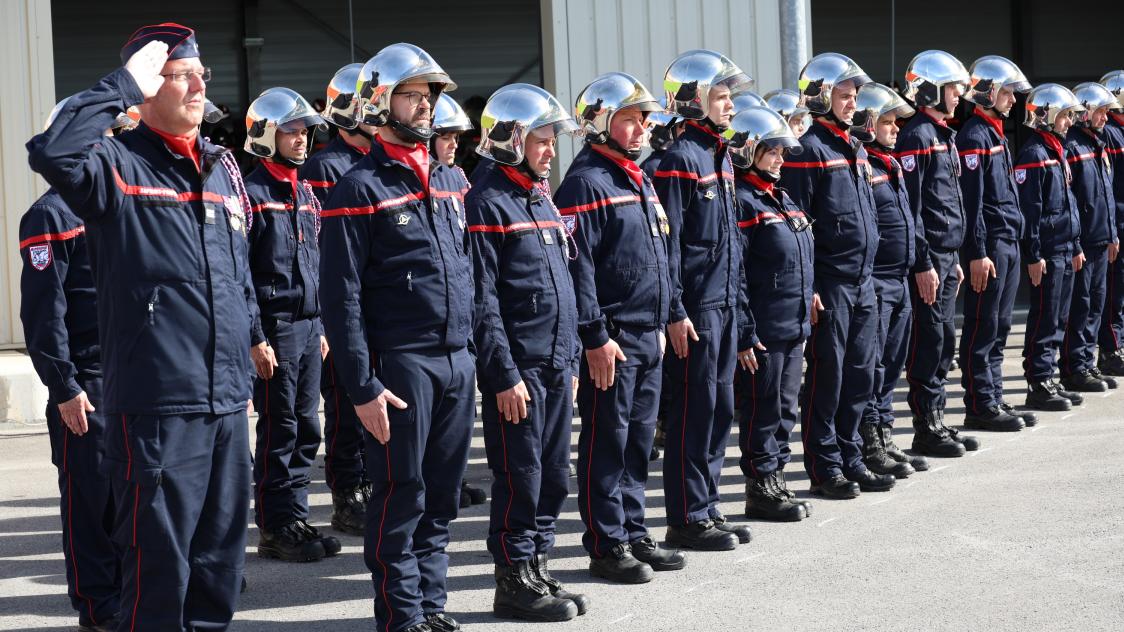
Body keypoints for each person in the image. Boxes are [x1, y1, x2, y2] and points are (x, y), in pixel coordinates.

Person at [27, 23, 257, 630]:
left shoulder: (222, 169)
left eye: (201, 73)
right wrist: (122, 85)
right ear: (146, 90)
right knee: (158, 578)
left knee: (218, 573)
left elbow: (237, 278)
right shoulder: (115, 166)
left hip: (228, 406)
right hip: (158, 409)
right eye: (181, 74)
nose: (199, 84)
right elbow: (52, 151)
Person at [319, 43, 473, 632]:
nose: (426, 106)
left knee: (442, 496)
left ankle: (430, 607)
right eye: (413, 95)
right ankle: (400, 615)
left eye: (430, 96)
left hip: (456, 360)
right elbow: (343, 298)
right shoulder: (358, 188)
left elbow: (468, 271)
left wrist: (478, 356)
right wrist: (361, 385)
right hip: (403, 364)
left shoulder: (450, 179)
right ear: (381, 102)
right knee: (401, 494)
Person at [557, 72, 687, 582]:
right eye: (630, 120)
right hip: (612, 337)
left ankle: (633, 531)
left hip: (646, 332)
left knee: (637, 442)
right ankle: (606, 544)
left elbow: (659, 255)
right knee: (606, 442)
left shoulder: (637, 176)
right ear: (600, 124)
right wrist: (594, 336)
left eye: (644, 120)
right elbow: (578, 267)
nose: (641, 129)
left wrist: (671, 312)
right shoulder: (585, 183)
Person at [467, 83, 587, 621]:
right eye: (541, 139)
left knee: (554, 475)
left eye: (552, 140)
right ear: (511, 139)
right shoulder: (486, 201)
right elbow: (483, 300)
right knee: (521, 475)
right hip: (519, 369)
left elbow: (563, 279)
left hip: (556, 362)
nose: (551, 150)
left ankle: (537, 564)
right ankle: (512, 579)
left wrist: (573, 355)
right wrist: (502, 374)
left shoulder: (538, 195)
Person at [18, 99, 138, 632]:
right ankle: (98, 606)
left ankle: (135, 591)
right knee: (90, 503)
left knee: (135, 496)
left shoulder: (120, 206)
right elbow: (45, 315)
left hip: (136, 376)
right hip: (85, 381)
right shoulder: (49, 216)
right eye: (103, 133)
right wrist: (63, 385)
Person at [780, 53, 893, 499]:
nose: (852, 104)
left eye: (854, 97)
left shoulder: (857, 147)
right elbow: (798, 224)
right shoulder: (807, 151)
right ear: (823, 97)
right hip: (830, 284)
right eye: (845, 96)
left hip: (863, 281)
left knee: (861, 373)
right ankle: (825, 466)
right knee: (829, 376)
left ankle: (851, 456)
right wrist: (807, 287)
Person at [655, 49, 754, 549]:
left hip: (725, 308)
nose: (732, 106)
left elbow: (731, 245)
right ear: (695, 102)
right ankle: (687, 517)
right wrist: (674, 310)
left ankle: (708, 507)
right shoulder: (678, 161)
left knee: (719, 409)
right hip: (696, 312)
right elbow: (668, 246)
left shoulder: (720, 156)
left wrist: (743, 316)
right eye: (722, 96)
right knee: (694, 412)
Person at [242, 87, 341, 562]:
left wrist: (320, 324)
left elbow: (314, 263)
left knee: (307, 425)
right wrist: (256, 337)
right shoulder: (253, 195)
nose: (302, 139)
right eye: (291, 131)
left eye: (304, 131)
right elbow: (240, 274)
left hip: (307, 328)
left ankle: (296, 516)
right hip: (275, 329)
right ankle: (275, 525)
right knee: (279, 427)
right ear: (265, 134)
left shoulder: (303, 192)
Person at [728, 105, 814, 520]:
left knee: (785, 407)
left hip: (793, 322)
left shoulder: (779, 195)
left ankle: (776, 474)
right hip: (764, 327)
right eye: (773, 151)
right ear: (749, 151)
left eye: (782, 151)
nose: (781, 159)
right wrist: (745, 331)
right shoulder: (742, 203)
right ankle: (760, 484)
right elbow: (736, 272)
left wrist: (809, 293)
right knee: (763, 408)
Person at [300, 62, 375, 536]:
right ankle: (349, 494)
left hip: (379, 309)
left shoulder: (378, 164)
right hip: (346, 308)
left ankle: (373, 485)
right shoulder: (326, 169)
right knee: (347, 404)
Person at [897, 50, 980, 456]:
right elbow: (912, 208)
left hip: (947, 257)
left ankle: (938, 420)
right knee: (929, 341)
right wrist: (924, 261)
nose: (958, 95)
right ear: (930, 89)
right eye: (951, 88)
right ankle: (924, 427)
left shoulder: (943, 134)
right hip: (930, 258)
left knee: (944, 339)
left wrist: (954, 258)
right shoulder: (916, 137)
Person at [854, 82, 931, 476]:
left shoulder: (891, 162)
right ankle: (869, 441)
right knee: (873, 363)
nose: (895, 128)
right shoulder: (863, 164)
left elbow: (910, 217)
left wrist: (923, 262)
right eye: (887, 122)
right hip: (877, 278)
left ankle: (885, 432)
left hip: (899, 277)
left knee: (893, 360)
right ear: (867, 122)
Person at [956, 56, 1036, 431]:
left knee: (1000, 326)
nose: (1012, 99)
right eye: (1006, 91)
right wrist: (977, 252)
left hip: (1008, 240)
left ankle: (994, 396)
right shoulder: (973, 136)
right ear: (987, 92)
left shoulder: (994, 132)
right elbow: (972, 202)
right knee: (982, 325)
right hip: (991, 245)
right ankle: (980, 405)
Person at [431, 93, 490, 509]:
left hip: (460, 314)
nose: (454, 143)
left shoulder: (456, 179)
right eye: (446, 135)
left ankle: (452, 480)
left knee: (458, 419)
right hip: (426, 327)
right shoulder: (425, 179)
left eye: (457, 136)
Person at [1016, 84, 1087, 412]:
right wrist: (1033, 254)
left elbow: (1068, 204)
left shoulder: (1055, 150)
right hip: (1046, 251)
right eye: (1064, 115)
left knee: (1058, 316)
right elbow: (1031, 210)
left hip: (1063, 247)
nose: (1069, 121)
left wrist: (1074, 244)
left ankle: (1050, 377)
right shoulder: (1034, 154)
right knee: (1045, 316)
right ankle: (1039, 381)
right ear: (1045, 115)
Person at [1060, 82, 1120, 393]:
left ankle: (1088, 362)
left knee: (1096, 303)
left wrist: (1111, 233)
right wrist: (1075, 244)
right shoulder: (1072, 147)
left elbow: (1105, 194)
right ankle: (1074, 367)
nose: (1105, 118)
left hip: (1101, 239)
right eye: (1100, 112)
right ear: (1084, 112)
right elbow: (1070, 200)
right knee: (1080, 305)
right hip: (1083, 243)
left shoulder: (1097, 144)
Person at [1097, 70, 1124, 377]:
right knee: (1113, 290)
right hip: (1118, 220)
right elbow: (1108, 185)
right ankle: (1111, 348)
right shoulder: (1110, 134)